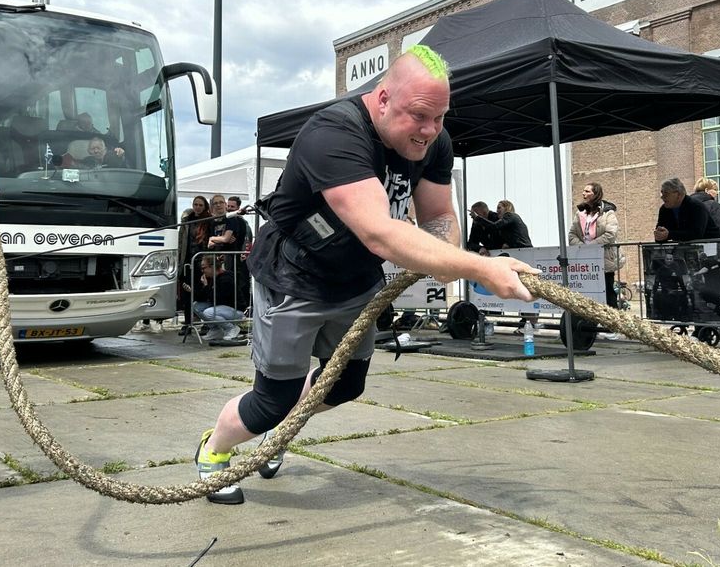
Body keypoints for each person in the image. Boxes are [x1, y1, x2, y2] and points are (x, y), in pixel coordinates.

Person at [193, 46, 535, 504]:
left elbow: (438, 215)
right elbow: (379, 232)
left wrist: (443, 255)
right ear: (382, 99)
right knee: (272, 399)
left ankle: (276, 432)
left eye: (439, 117)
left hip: (357, 281)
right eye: (419, 115)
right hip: (294, 278)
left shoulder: (434, 139)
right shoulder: (333, 134)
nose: (430, 130)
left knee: (346, 384)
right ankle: (214, 449)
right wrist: (481, 267)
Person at [569, 182, 620, 307]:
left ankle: (611, 323)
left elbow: (610, 234)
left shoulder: (608, 213)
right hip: (585, 259)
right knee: (587, 293)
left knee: (607, 291)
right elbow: (572, 235)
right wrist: (582, 247)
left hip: (603, 259)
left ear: (596, 194)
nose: (583, 193)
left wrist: (592, 246)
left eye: (587, 191)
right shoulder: (580, 213)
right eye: (583, 191)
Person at [190, 256, 247, 343]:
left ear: (212, 267)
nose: (202, 271)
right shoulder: (212, 278)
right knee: (196, 306)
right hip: (221, 307)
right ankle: (215, 329)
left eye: (204, 268)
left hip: (235, 310)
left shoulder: (226, 278)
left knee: (208, 312)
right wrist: (195, 290)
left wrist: (206, 287)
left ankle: (231, 328)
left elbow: (217, 297)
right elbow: (204, 297)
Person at [178, 196, 211, 336]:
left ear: (204, 207)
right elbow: (181, 241)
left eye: (200, 205)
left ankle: (206, 323)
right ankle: (187, 323)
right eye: (195, 204)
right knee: (186, 294)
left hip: (201, 261)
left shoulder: (208, 221)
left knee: (203, 293)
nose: (197, 207)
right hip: (187, 261)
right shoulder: (187, 221)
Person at [654, 177, 720, 242]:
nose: (662, 197)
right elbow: (661, 233)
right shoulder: (664, 210)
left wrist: (669, 234)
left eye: (666, 193)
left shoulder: (696, 206)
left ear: (678, 194)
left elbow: (696, 233)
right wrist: (659, 235)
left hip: (711, 247)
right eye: (662, 193)